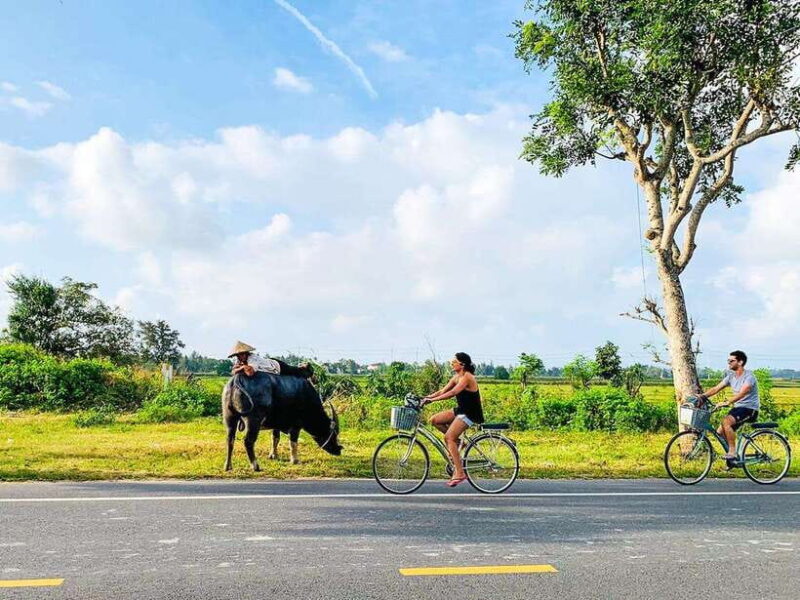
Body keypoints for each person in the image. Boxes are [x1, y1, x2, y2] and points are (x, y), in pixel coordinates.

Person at [422, 352, 484, 487]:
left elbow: (452, 393)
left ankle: (460, 472)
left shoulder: (467, 377)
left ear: (462, 364)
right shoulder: (457, 377)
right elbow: (442, 391)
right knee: (434, 420)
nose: (451, 363)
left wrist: (432, 401)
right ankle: (459, 443)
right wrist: (425, 398)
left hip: (470, 413)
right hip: (461, 410)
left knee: (449, 438)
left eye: (454, 361)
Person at [699, 350, 759, 460]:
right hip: (738, 408)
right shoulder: (731, 376)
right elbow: (716, 388)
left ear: (740, 362)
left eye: (732, 360)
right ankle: (734, 459)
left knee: (726, 422)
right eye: (728, 361)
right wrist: (702, 397)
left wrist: (728, 402)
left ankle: (733, 452)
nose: (729, 363)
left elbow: (743, 392)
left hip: (749, 409)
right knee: (720, 432)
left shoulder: (749, 376)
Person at [228, 341, 312, 379]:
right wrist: (242, 368)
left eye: (241, 354)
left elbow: (250, 372)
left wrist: (241, 368)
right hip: (267, 365)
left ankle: (306, 369)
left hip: (275, 366)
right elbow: (233, 372)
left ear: (246, 353)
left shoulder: (252, 358)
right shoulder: (239, 360)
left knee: (293, 371)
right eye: (238, 355)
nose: (240, 357)